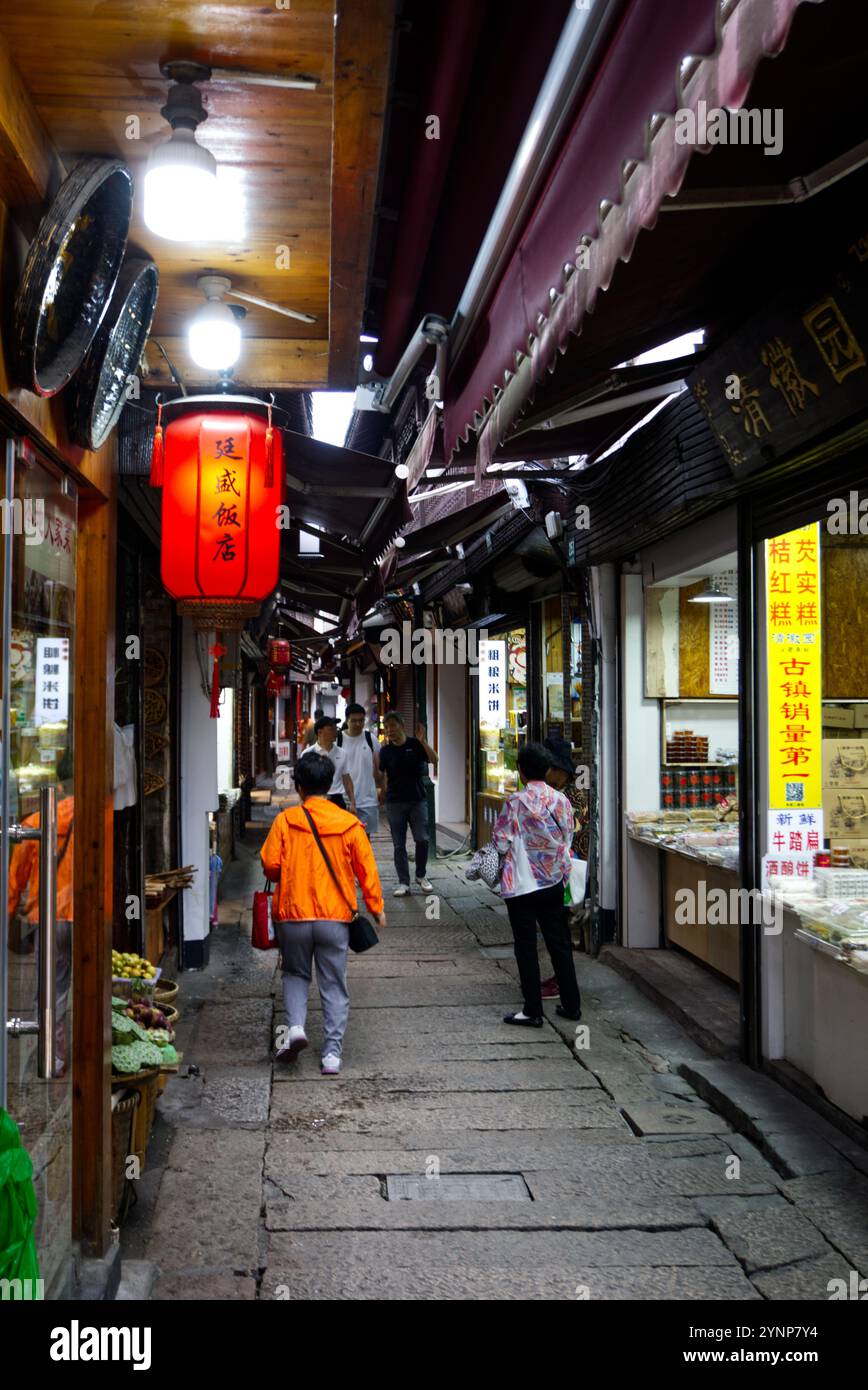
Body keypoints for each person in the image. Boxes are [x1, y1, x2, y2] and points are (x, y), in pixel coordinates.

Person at [260, 752, 386, 1075]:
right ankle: (331, 1054)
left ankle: (297, 1028)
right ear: (329, 785)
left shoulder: (286, 821)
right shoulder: (349, 824)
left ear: (299, 787)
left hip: (293, 915)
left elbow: (271, 866)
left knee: (295, 974)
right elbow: (366, 870)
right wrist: (376, 907)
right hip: (335, 918)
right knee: (333, 983)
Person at [492, 741, 582, 1027]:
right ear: (547, 769)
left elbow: (501, 841)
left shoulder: (515, 803)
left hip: (522, 883)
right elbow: (568, 837)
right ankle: (572, 1005)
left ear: (520, 770)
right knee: (559, 942)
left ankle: (532, 1010)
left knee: (526, 945)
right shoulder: (561, 801)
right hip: (554, 880)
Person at [539, 733, 589, 998]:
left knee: (562, 928)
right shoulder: (563, 792)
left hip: (570, 870)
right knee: (559, 928)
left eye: (548, 769)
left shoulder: (572, 796)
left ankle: (563, 983)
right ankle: (560, 977)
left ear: (558, 770)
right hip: (564, 868)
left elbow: (568, 836)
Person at [379, 711, 438, 896]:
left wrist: (422, 741)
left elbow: (434, 760)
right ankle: (403, 882)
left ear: (402, 726)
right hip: (395, 802)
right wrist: (382, 791)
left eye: (393, 726)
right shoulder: (385, 750)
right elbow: (382, 775)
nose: (390, 730)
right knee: (399, 845)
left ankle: (421, 875)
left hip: (417, 800)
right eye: (387, 727)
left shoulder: (414, 744)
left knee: (422, 838)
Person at [337, 703, 381, 837]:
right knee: (344, 840)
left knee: (364, 841)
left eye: (361, 720)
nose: (358, 724)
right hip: (343, 800)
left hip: (367, 800)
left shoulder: (370, 739)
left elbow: (379, 769)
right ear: (346, 720)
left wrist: (381, 788)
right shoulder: (338, 740)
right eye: (353, 721)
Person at [299, 715, 355, 811]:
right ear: (320, 732)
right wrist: (301, 803)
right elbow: (302, 781)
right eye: (331, 728)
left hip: (337, 800)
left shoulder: (342, 753)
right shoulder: (308, 754)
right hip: (315, 800)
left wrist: (353, 802)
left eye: (336, 728)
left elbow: (347, 779)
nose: (335, 731)